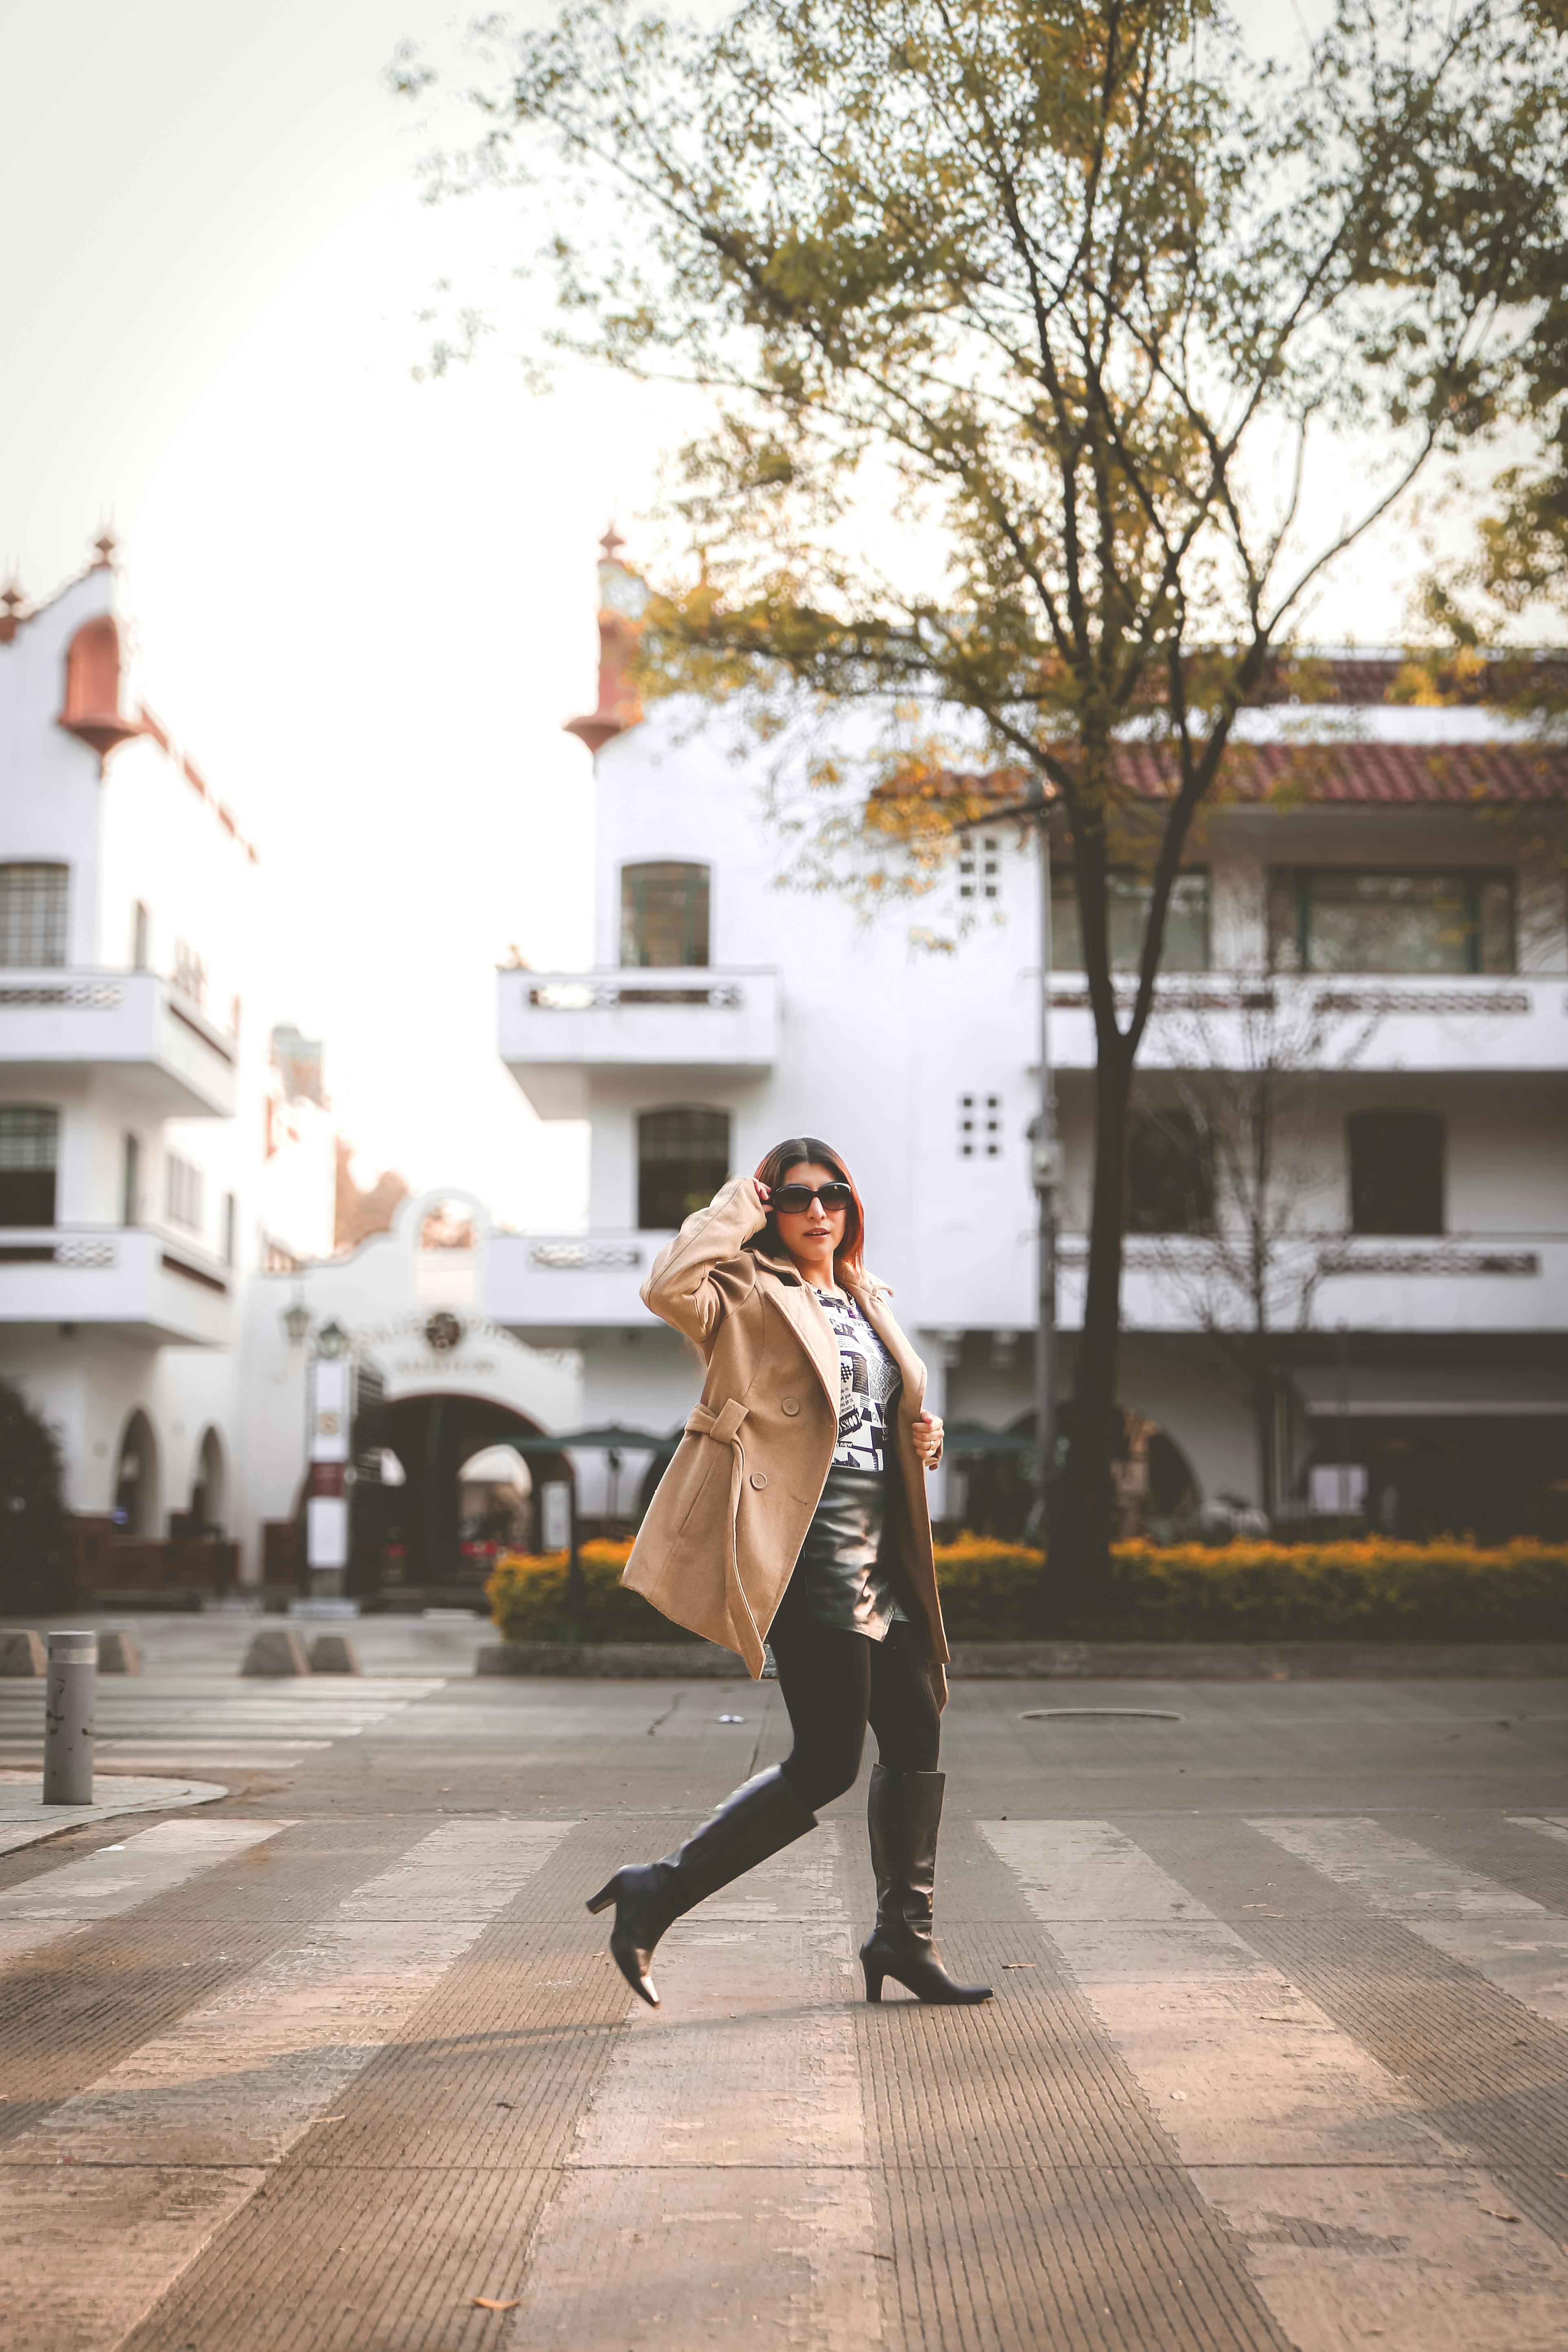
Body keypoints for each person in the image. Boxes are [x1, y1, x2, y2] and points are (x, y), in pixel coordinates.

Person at [588, 1136, 991, 2009]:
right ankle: (658, 1889)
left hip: (882, 1542)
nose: (819, 1211)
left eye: (835, 1195)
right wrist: (743, 1198)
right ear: (772, 1209)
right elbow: (666, 1287)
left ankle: (902, 1937)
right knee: (827, 1762)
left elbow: (872, 1406)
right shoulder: (739, 1292)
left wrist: (920, 1431)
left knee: (917, 1734)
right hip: (803, 1542)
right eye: (798, 1197)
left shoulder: (864, 1293)